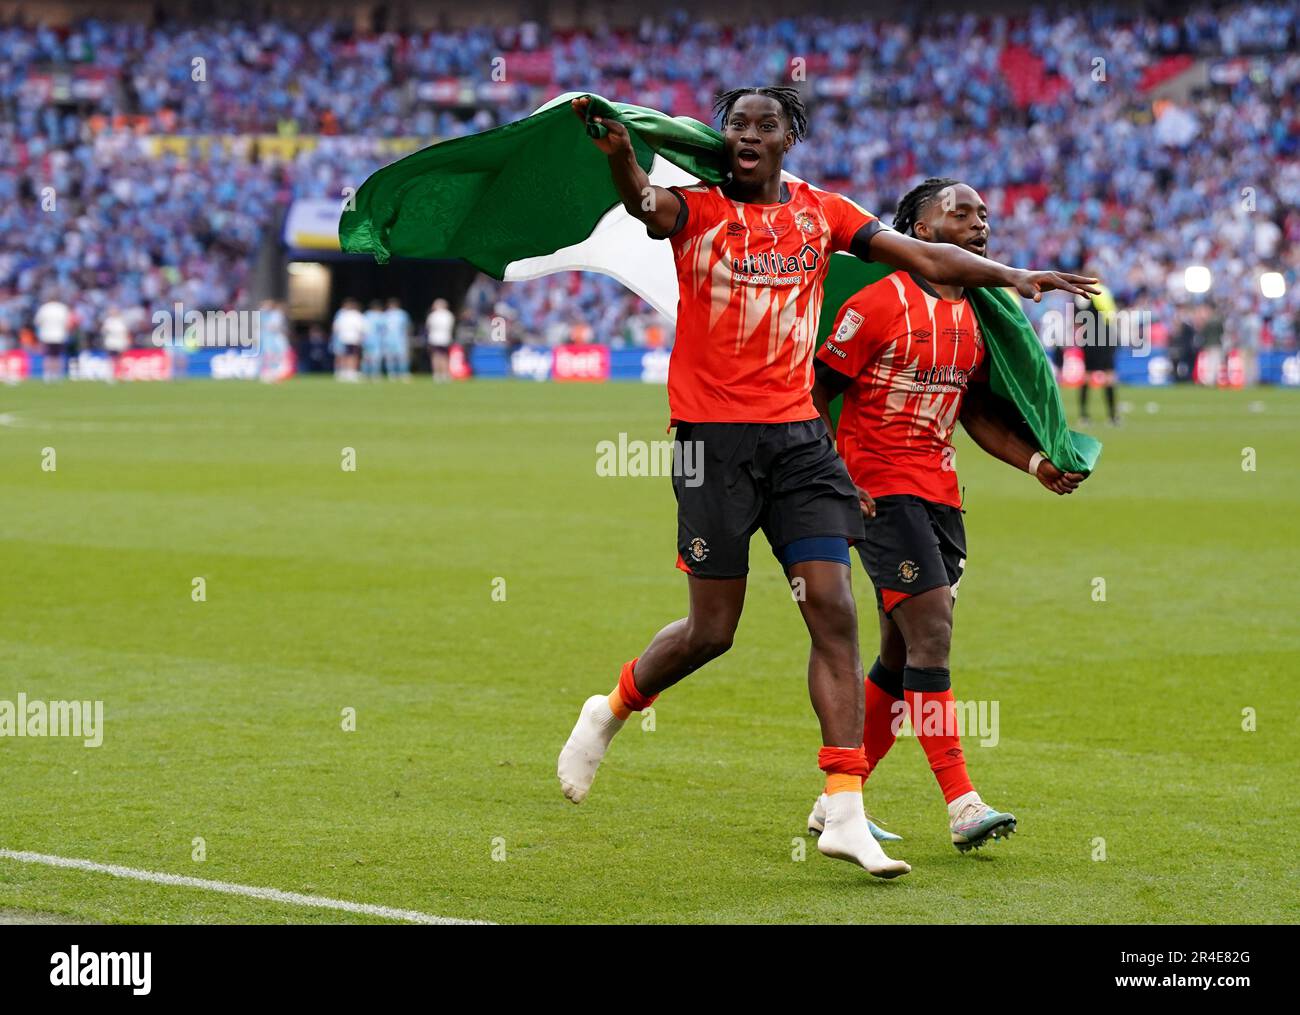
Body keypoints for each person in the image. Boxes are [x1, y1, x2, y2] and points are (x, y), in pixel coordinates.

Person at [555, 90, 1099, 877]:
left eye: (764, 125)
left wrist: (1017, 274)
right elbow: (645, 203)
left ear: (789, 138)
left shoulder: (825, 213)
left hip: (801, 441)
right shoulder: (696, 210)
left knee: (836, 612)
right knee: (713, 631)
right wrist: (617, 156)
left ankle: (845, 807)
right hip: (714, 442)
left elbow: (928, 258)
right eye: (736, 124)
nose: (748, 134)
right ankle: (610, 709)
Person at [809, 178, 1086, 852]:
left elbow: (973, 412)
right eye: (958, 211)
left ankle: (835, 803)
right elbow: (814, 394)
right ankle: (963, 803)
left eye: (984, 213)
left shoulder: (976, 318)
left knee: (901, 655)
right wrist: (838, 478)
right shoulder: (878, 304)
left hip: (939, 496)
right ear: (919, 229)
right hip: (879, 490)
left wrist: (1034, 462)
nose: (977, 221)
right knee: (932, 632)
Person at [34, 295, 72, 382]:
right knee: (58, 356)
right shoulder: (63, 308)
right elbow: (68, 323)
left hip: (46, 335)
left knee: (48, 356)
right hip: (60, 335)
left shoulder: (44, 308)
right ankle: (57, 375)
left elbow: (37, 322)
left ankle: (48, 375)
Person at [331, 299, 366, 381]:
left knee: (344, 355)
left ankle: (343, 372)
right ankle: (351, 372)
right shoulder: (357, 315)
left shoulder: (343, 315)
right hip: (353, 339)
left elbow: (335, 327)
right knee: (353, 356)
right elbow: (362, 328)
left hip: (343, 338)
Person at [426, 298, 455, 382]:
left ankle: (438, 374)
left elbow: (428, 327)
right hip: (445, 338)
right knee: (444, 356)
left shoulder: (433, 315)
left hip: (435, 338)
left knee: (436, 356)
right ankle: (444, 374)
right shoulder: (449, 315)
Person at [383, 297, 411, 381]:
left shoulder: (402, 314)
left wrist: (407, 338)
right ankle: (392, 373)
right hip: (388, 340)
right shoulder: (385, 315)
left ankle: (403, 373)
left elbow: (406, 327)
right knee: (390, 357)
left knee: (402, 357)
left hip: (400, 339)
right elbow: (382, 329)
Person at [101, 306, 131, 382]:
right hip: (111, 343)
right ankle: (110, 376)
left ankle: (122, 375)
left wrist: (126, 342)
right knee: (111, 360)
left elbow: (124, 332)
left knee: (120, 360)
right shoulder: (108, 321)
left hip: (119, 343)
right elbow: (104, 331)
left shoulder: (121, 321)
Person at [363, 300, 386, 380]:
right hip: (376, 340)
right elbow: (383, 330)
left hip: (366, 340)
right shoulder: (380, 316)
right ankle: (375, 374)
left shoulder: (366, 315)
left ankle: (365, 373)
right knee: (376, 358)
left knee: (366, 357)